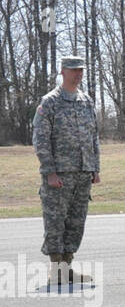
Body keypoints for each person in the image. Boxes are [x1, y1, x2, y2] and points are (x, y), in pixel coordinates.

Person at [32, 55, 100, 285]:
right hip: (59, 174)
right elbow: (40, 138)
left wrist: (95, 167)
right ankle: (55, 268)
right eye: (73, 70)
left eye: (80, 70)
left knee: (76, 221)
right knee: (55, 220)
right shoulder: (50, 101)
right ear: (62, 72)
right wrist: (49, 171)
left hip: (83, 172)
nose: (77, 74)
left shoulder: (86, 101)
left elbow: (93, 136)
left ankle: (67, 267)